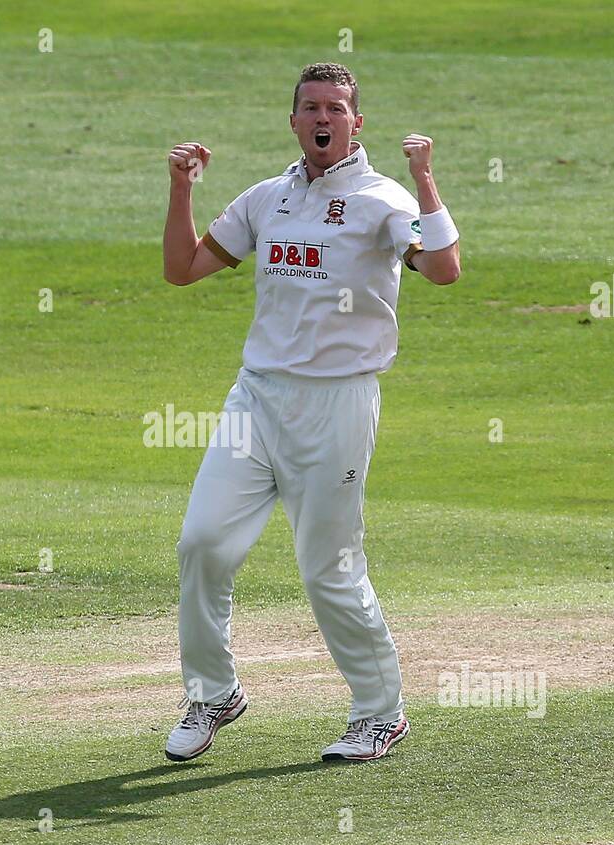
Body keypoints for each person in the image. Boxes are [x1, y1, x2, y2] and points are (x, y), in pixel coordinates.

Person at [161, 62, 461, 762]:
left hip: (338, 401)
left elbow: (444, 269)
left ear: (357, 124)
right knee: (201, 543)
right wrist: (180, 190)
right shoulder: (267, 199)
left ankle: (378, 712)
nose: (323, 118)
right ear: (294, 122)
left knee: (328, 564)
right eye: (310, 108)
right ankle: (213, 694)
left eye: (336, 108)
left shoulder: (383, 198)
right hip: (257, 396)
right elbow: (183, 269)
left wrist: (425, 180)